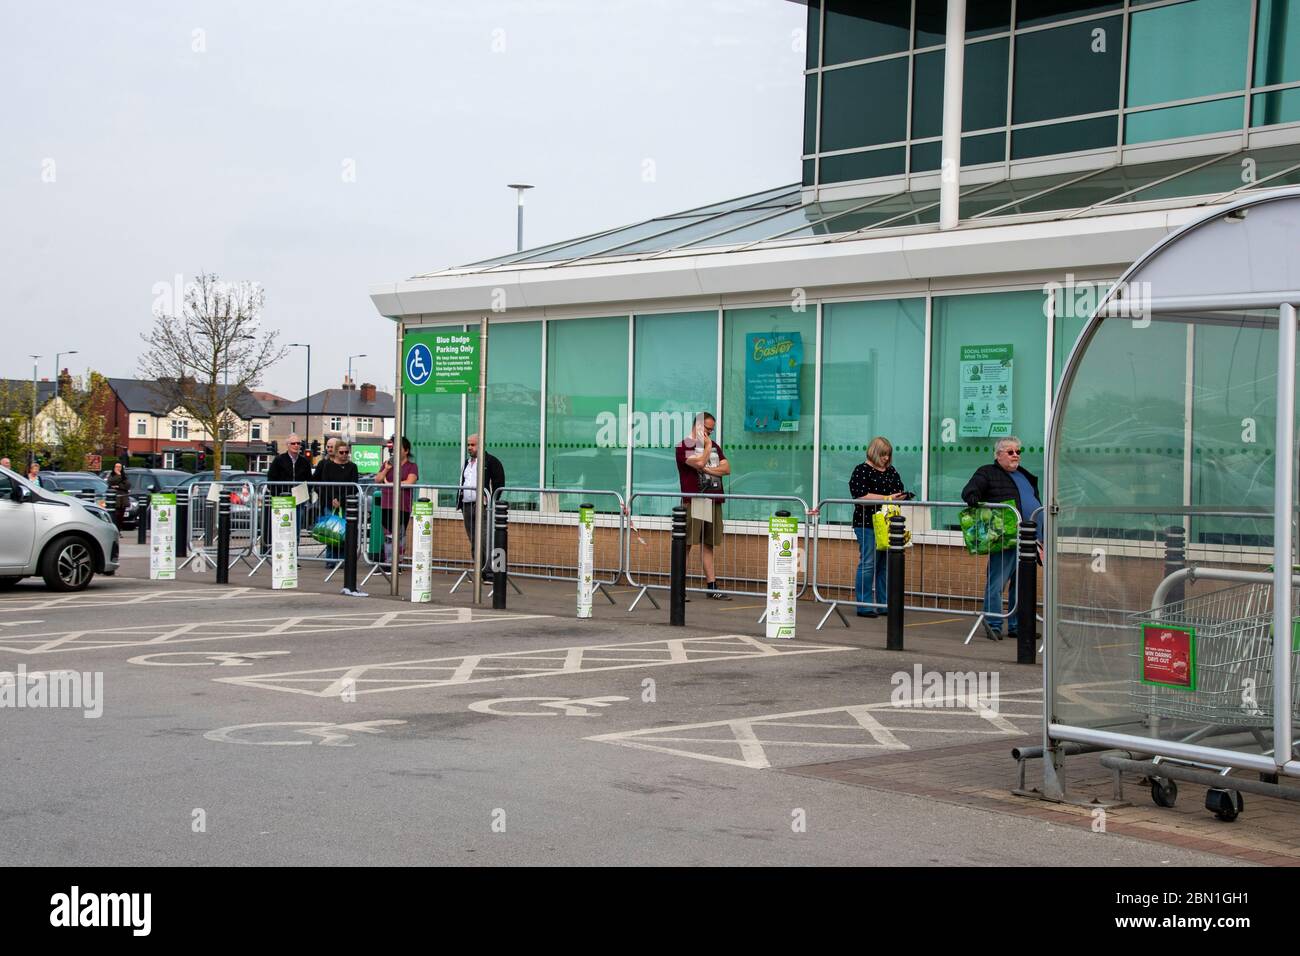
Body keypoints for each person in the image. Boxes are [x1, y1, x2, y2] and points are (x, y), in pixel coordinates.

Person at [961, 436, 1041, 640]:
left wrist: (1040, 536)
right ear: (998, 455)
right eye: (1011, 452)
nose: (1016, 455)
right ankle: (994, 624)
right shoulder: (988, 472)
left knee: (1022, 583)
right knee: (997, 582)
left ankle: (1018, 626)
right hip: (1005, 537)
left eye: (1018, 452)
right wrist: (974, 499)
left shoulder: (1024, 475)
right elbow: (970, 491)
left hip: (1028, 537)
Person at [848, 437, 907, 618]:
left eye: (888, 455)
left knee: (884, 566)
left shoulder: (891, 471)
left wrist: (899, 496)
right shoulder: (861, 471)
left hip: (888, 523)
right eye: (883, 455)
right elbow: (860, 496)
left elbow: (898, 488)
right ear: (874, 453)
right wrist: (887, 498)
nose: (886, 459)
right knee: (868, 563)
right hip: (866, 523)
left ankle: (884, 604)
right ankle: (864, 604)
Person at [675, 411, 731, 600]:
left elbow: (726, 468)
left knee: (709, 543)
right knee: (689, 543)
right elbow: (697, 462)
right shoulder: (685, 445)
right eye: (708, 429)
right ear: (698, 426)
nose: (710, 434)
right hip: (696, 499)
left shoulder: (714, 445)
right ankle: (679, 587)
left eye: (712, 431)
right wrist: (706, 448)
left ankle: (712, 585)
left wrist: (706, 467)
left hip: (713, 498)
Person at [455, 434, 505, 578]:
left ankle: (490, 572)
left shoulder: (491, 462)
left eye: (473, 445)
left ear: (481, 445)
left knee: (485, 539)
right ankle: (480, 569)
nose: (469, 448)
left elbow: (499, 483)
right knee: (474, 540)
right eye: (468, 445)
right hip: (467, 505)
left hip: (483, 506)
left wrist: (490, 501)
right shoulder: (467, 463)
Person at [314, 441, 360, 560]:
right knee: (331, 533)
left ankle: (344, 559)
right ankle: (331, 560)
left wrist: (341, 501)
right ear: (336, 452)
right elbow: (325, 485)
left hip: (346, 505)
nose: (344, 454)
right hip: (331, 504)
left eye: (346, 452)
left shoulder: (352, 467)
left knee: (344, 533)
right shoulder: (328, 466)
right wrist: (332, 500)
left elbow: (353, 486)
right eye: (341, 452)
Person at [375, 436, 418, 561]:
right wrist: (386, 470)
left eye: (399, 448)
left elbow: (410, 481)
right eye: (394, 447)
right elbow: (377, 480)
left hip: (402, 505)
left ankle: (398, 561)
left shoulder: (412, 466)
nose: (395, 450)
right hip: (387, 503)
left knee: (399, 534)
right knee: (388, 534)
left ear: (406, 450)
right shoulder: (387, 464)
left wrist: (390, 483)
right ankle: (389, 561)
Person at [107, 461, 131, 529]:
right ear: (114, 468)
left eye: (119, 467)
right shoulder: (111, 475)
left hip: (123, 499)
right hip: (115, 499)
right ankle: (114, 529)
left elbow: (128, 485)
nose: (118, 468)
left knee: (121, 516)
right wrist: (118, 475)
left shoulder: (124, 476)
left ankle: (119, 530)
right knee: (115, 516)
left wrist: (119, 486)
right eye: (116, 467)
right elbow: (111, 482)